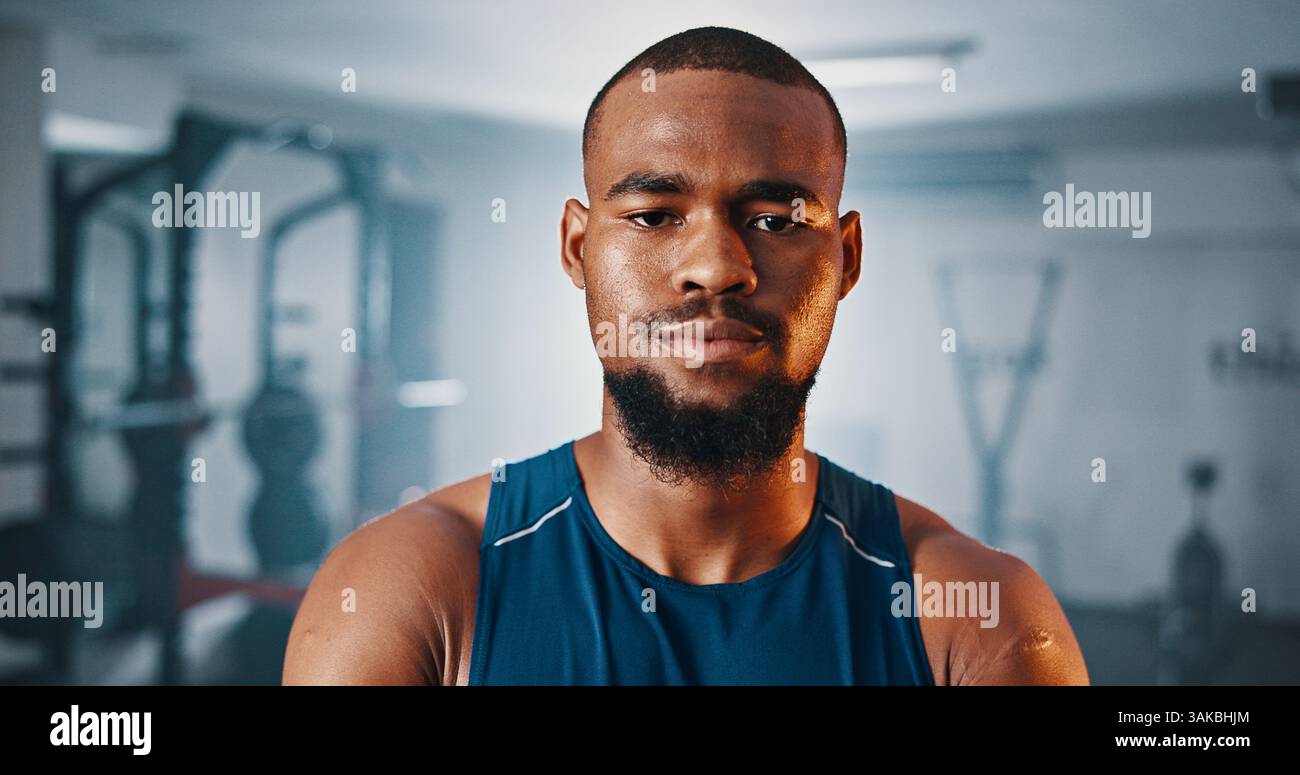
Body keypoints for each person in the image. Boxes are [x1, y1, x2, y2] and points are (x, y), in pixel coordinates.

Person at [283, 26, 1089, 685]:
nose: (716, 265)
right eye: (654, 213)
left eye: (775, 218)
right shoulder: (409, 590)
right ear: (576, 248)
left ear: (844, 259)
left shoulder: (973, 618)